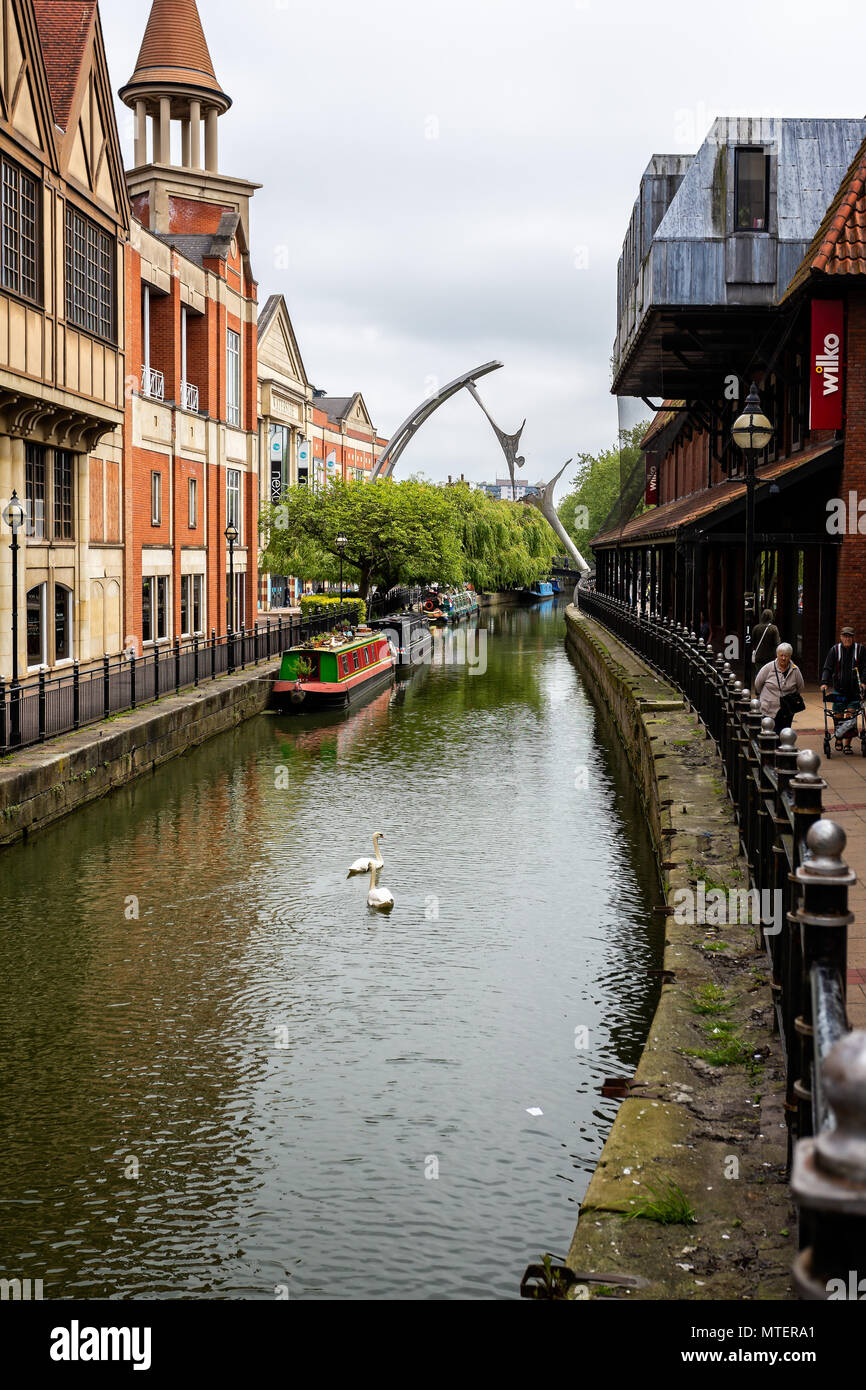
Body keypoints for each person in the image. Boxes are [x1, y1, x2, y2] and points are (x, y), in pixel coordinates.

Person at [820, 626, 866, 753]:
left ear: (853, 638)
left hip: (854, 692)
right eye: (845, 636)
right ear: (841, 637)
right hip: (839, 691)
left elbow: (864, 668)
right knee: (838, 715)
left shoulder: (860, 650)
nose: (847, 639)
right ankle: (839, 739)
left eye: (850, 636)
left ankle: (847, 745)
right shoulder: (835, 650)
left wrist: (864, 682)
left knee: (851, 717)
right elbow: (827, 668)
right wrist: (824, 682)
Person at [755, 642, 806, 735]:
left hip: (786, 709)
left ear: (790, 656)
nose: (783, 658)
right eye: (781, 655)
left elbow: (800, 687)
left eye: (786, 656)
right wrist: (763, 697)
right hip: (768, 707)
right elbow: (758, 684)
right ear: (777, 655)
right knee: (769, 734)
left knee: (784, 734)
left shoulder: (795, 670)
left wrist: (790, 697)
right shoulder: (768, 668)